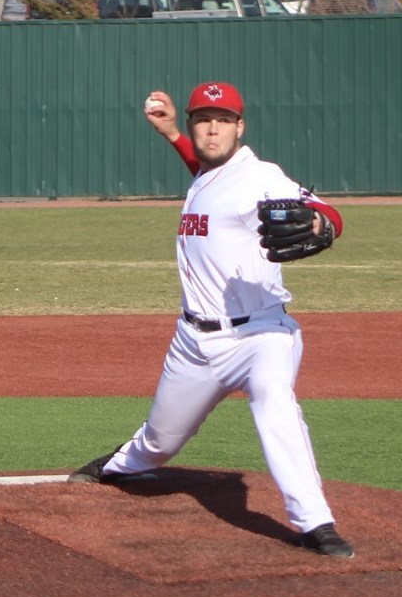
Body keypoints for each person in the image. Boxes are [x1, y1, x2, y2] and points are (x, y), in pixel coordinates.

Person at [68, 82, 353, 558]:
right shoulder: (208, 173)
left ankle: (316, 523)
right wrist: (173, 134)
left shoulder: (262, 175)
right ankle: (119, 464)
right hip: (193, 342)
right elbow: (206, 175)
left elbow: (323, 212)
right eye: (203, 119)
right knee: (158, 443)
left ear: (240, 127)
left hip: (260, 333)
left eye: (222, 119)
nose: (212, 127)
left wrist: (323, 224)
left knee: (273, 397)